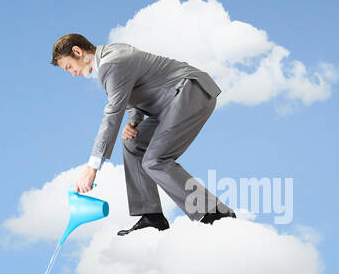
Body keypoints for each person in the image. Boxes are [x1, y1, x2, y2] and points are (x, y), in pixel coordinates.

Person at [53, 33, 236, 236]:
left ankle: (215, 212)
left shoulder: (112, 63)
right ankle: (151, 214)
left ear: (77, 51)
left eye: (69, 67)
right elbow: (136, 91)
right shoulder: (110, 58)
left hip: (190, 92)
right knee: (133, 143)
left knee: (155, 160)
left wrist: (92, 167)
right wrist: (135, 121)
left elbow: (112, 116)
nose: (73, 74)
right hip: (170, 102)